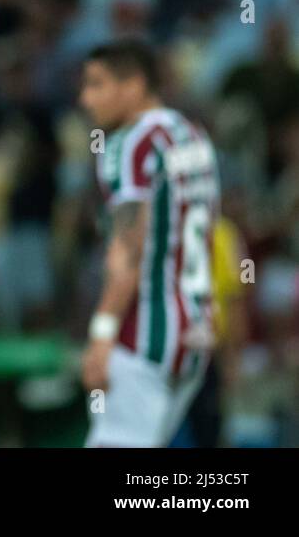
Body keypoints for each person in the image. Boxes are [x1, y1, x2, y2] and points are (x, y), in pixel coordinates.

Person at [77, 39, 219, 447]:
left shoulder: (129, 143)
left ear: (134, 85)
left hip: (143, 334)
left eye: (96, 85)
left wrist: (102, 333)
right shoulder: (193, 135)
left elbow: (129, 248)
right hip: (193, 334)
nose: (85, 99)